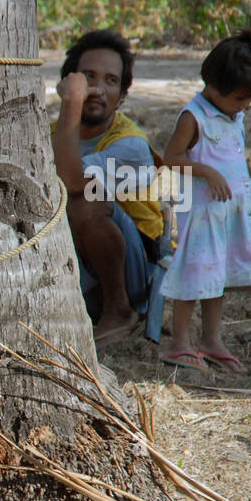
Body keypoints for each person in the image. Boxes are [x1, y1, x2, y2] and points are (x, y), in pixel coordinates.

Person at [158, 30, 251, 372]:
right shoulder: (193, 117)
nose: (244, 107)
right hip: (202, 215)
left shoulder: (233, 115)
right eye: (239, 99)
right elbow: (171, 158)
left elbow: (237, 153)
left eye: (247, 100)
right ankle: (179, 342)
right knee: (193, 273)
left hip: (227, 213)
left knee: (217, 276)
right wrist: (207, 173)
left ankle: (211, 339)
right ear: (213, 86)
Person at [51, 30, 165, 340]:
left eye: (111, 81)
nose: (98, 89)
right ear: (68, 80)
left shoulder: (131, 144)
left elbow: (72, 182)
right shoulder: (48, 132)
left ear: (123, 96)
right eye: (88, 77)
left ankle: (118, 311)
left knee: (86, 200)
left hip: (132, 271)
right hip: (72, 266)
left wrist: (71, 104)